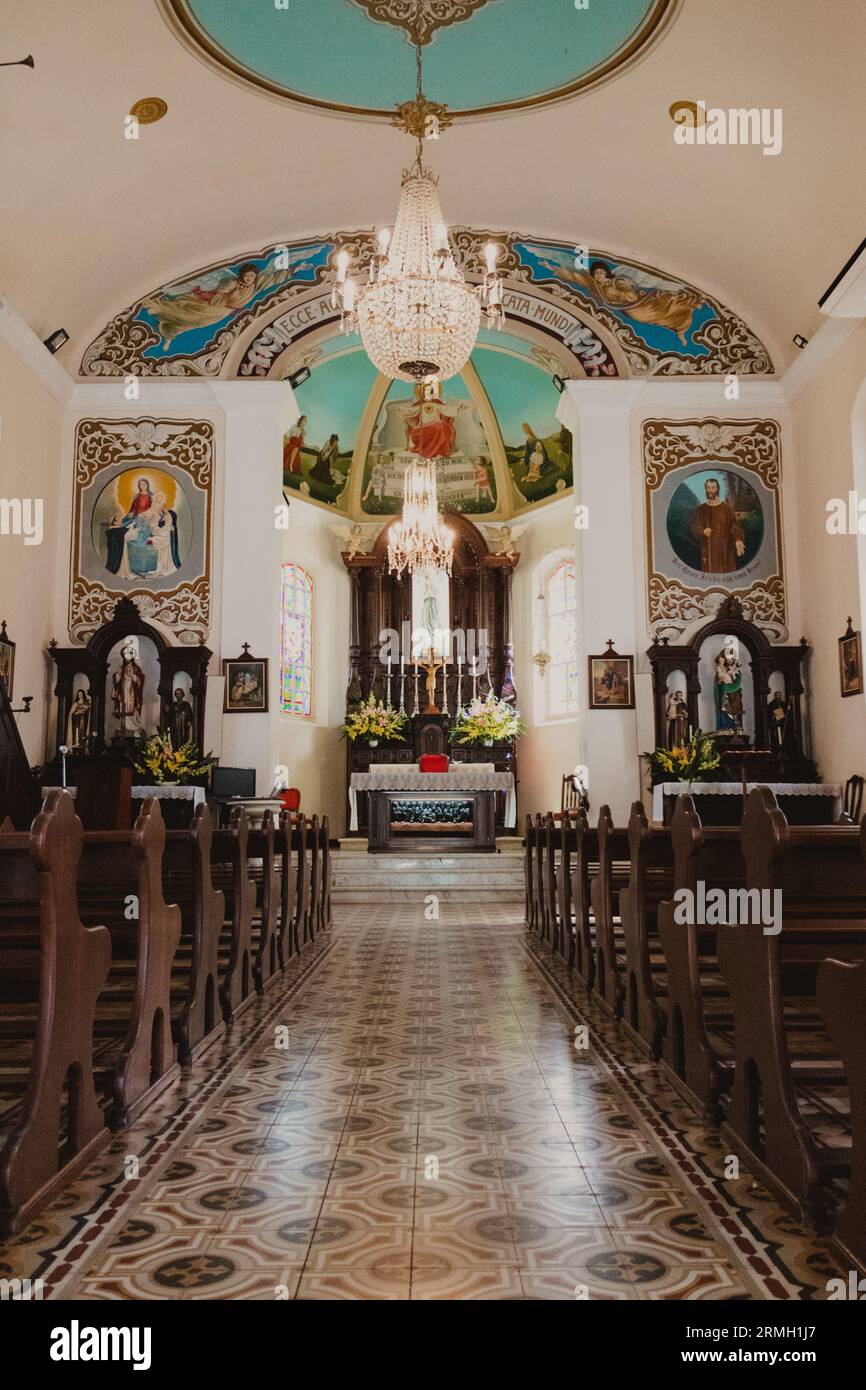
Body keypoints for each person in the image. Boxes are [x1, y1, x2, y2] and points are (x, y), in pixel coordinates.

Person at [690, 477, 746, 574]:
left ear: (717, 489)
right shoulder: (700, 509)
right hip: (708, 551)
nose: (710, 490)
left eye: (713, 487)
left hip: (725, 552)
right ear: (705, 489)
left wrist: (738, 540)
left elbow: (735, 527)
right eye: (708, 488)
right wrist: (702, 532)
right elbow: (695, 526)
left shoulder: (727, 509)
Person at [714, 638, 743, 733]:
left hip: (735, 693)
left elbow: (738, 681)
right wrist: (721, 684)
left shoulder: (736, 670)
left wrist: (732, 680)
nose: (730, 661)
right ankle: (725, 727)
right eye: (728, 659)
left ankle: (736, 727)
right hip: (725, 692)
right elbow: (717, 683)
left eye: (732, 659)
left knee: (735, 709)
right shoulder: (722, 669)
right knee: (725, 708)